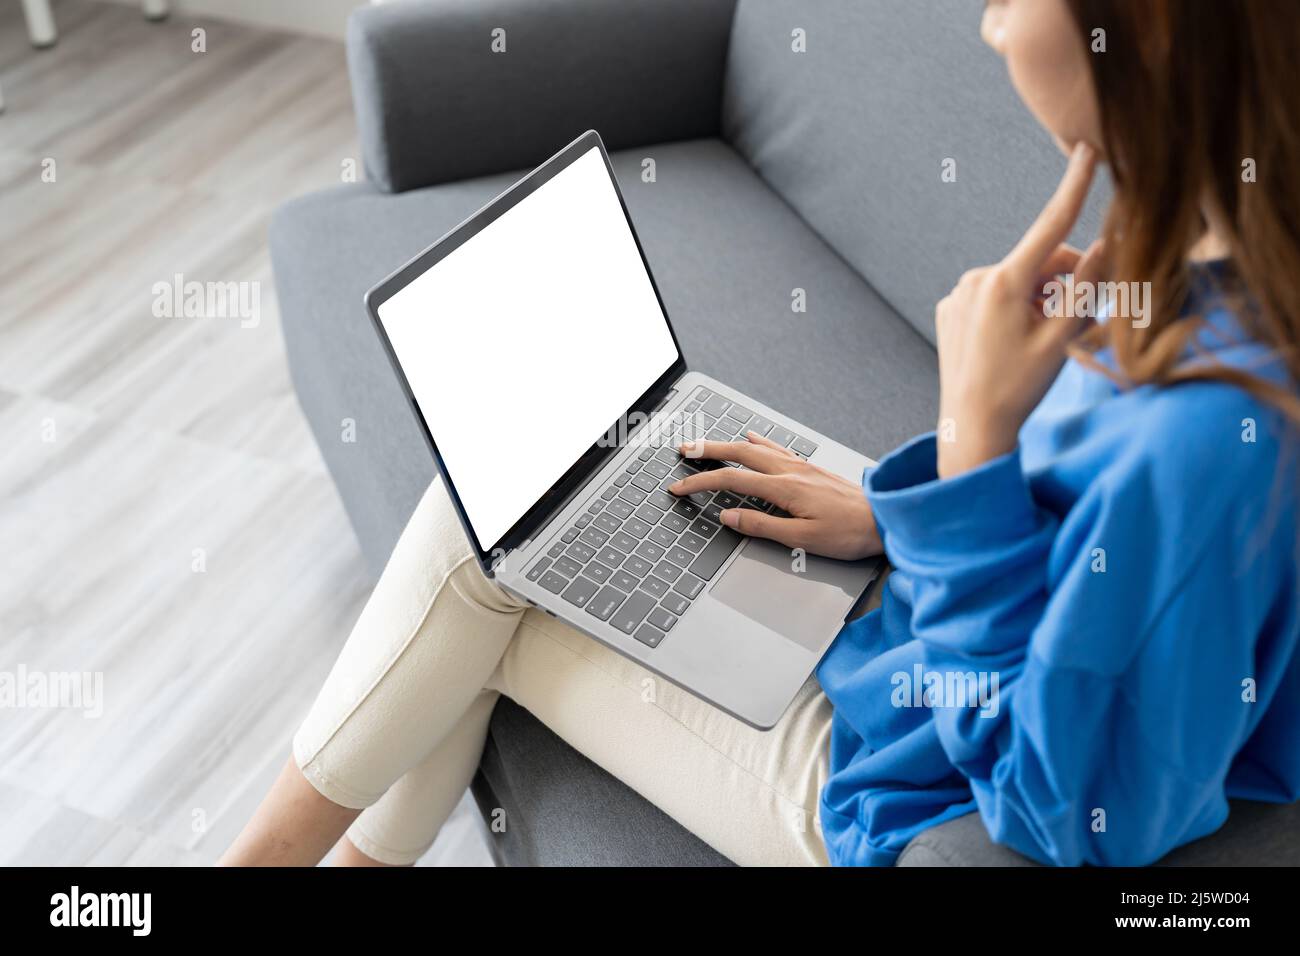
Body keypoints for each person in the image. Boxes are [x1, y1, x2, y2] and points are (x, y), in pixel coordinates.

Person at [221, 0, 1300, 866]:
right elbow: (1093, 551)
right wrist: (890, 509)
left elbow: (1073, 814)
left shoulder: (1209, 433)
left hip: (902, 780)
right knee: (551, 512)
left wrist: (972, 440)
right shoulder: (1203, 260)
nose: (987, 25)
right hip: (915, 643)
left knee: (489, 544)